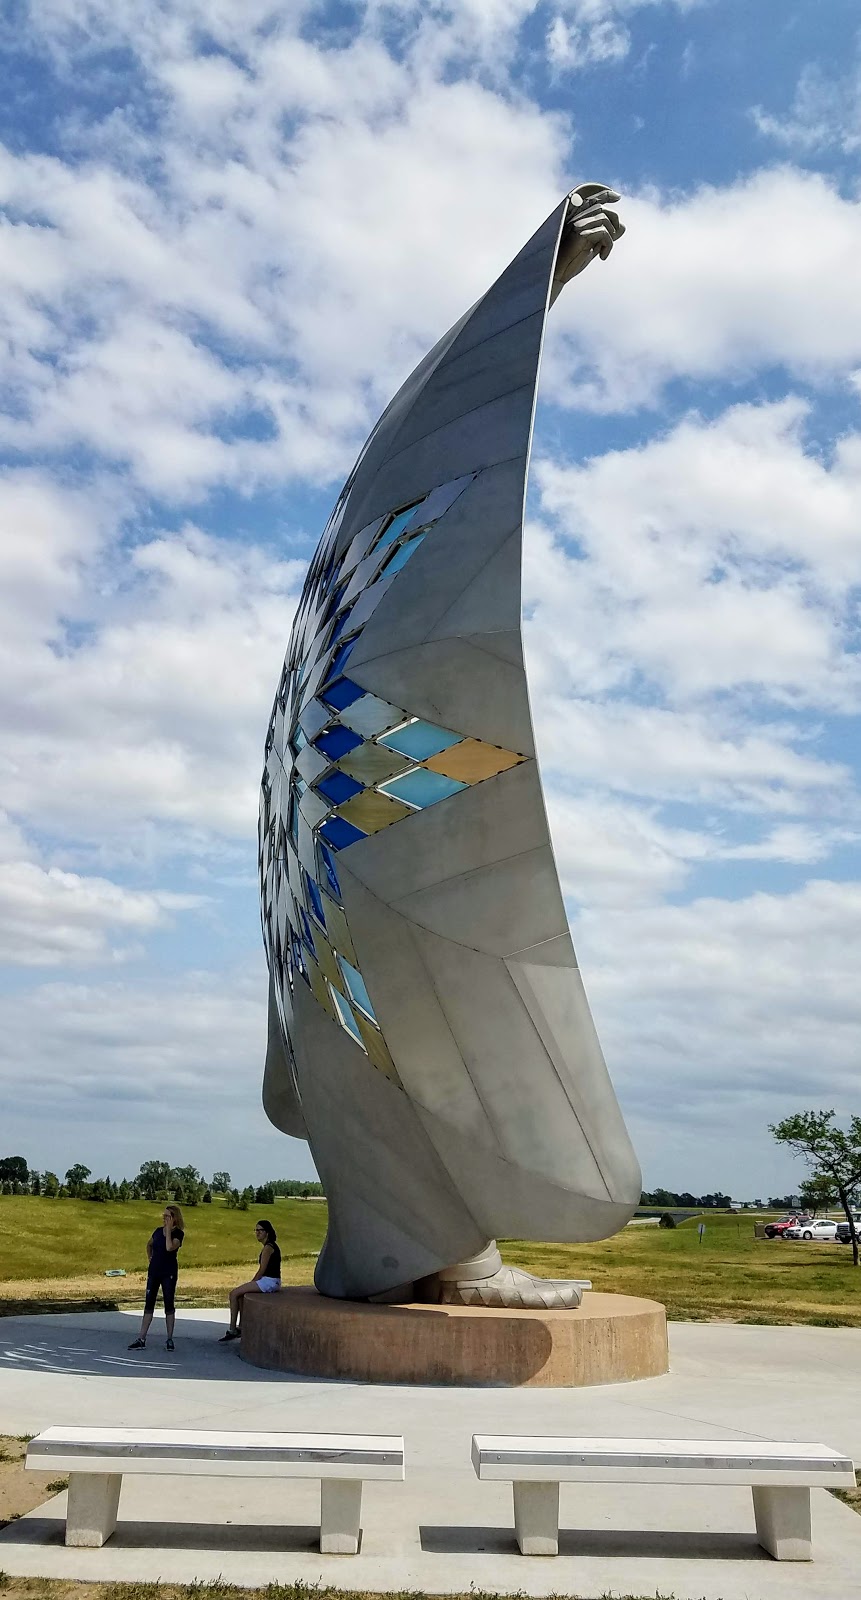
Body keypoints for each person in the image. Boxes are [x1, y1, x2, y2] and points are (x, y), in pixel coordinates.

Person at [128, 1204, 184, 1351]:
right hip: (154, 1272)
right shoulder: (158, 1231)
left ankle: (169, 1338)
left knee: (168, 1303)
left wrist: (169, 1230)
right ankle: (141, 1338)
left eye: (167, 1216)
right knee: (149, 1303)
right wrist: (150, 1258)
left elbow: (169, 1247)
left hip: (168, 1272)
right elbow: (149, 1244)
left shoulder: (178, 1234)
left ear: (174, 1218)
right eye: (163, 1216)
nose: (164, 1218)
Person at [219, 1220, 281, 1341]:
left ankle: (232, 1329)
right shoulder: (270, 1246)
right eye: (256, 1230)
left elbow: (262, 1269)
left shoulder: (268, 1247)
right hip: (271, 1281)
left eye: (260, 1230)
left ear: (267, 1232)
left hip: (269, 1281)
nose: (257, 1233)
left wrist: (252, 1282)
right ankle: (241, 1327)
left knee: (233, 1294)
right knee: (241, 1296)